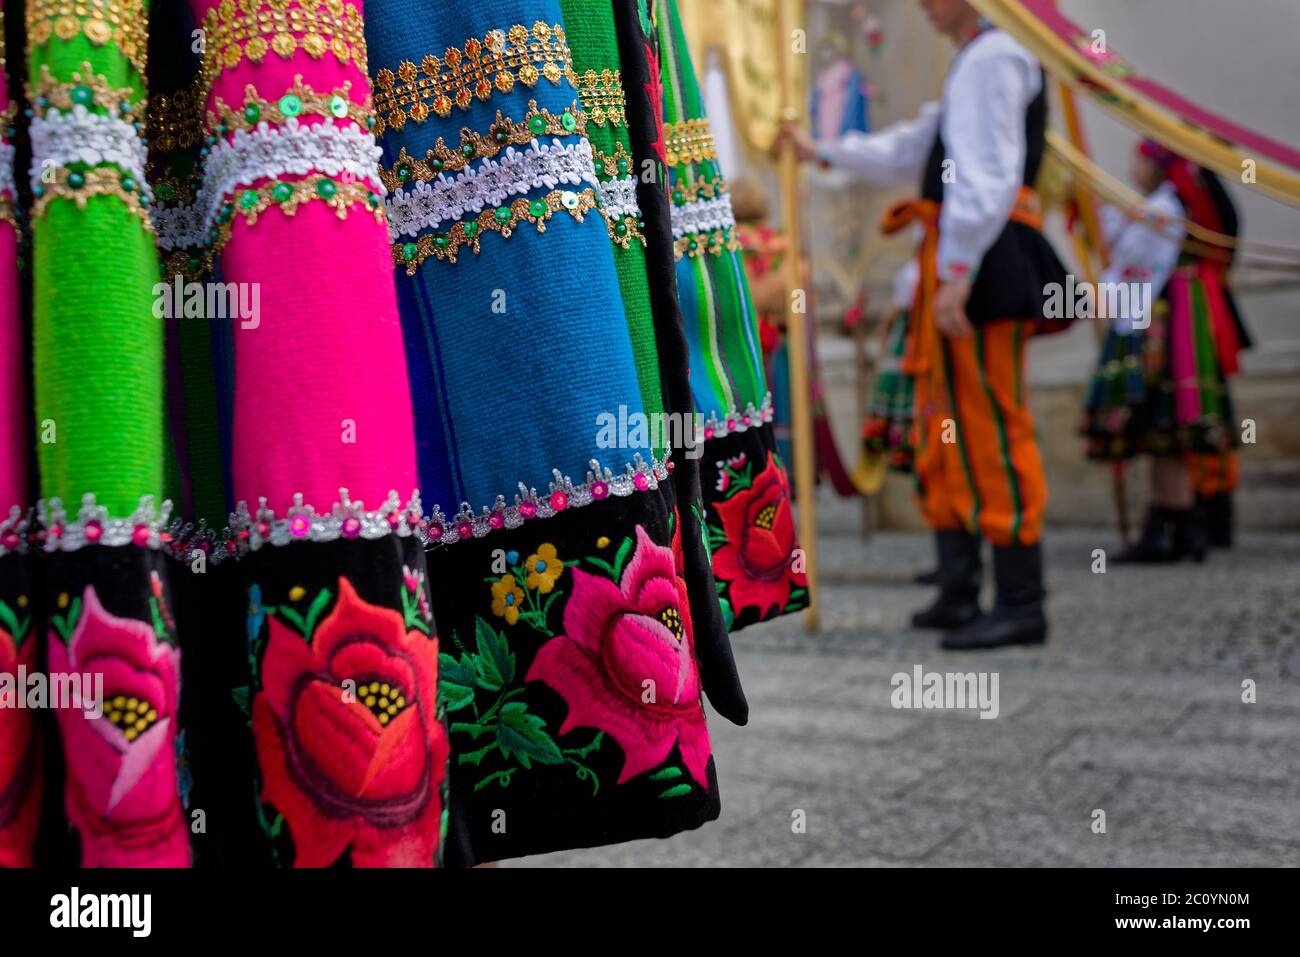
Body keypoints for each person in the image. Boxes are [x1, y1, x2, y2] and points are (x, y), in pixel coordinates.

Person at [780, 0, 1071, 649]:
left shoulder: (995, 54)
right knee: (954, 422)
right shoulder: (976, 58)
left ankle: (1022, 598)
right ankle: (962, 583)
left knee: (992, 423)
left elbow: (986, 174)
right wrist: (822, 149)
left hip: (984, 257)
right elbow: (915, 148)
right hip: (970, 254)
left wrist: (960, 268)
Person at [1081, 140, 1247, 561]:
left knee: (1164, 428)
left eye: (1138, 158)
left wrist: (1103, 300)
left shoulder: (1161, 209)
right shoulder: (1161, 205)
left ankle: (1173, 528)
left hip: (1159, 324)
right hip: (1168, 318)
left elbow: (1136, 267)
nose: (1132, 166)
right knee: (1164, 432)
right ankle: (1174, 525)